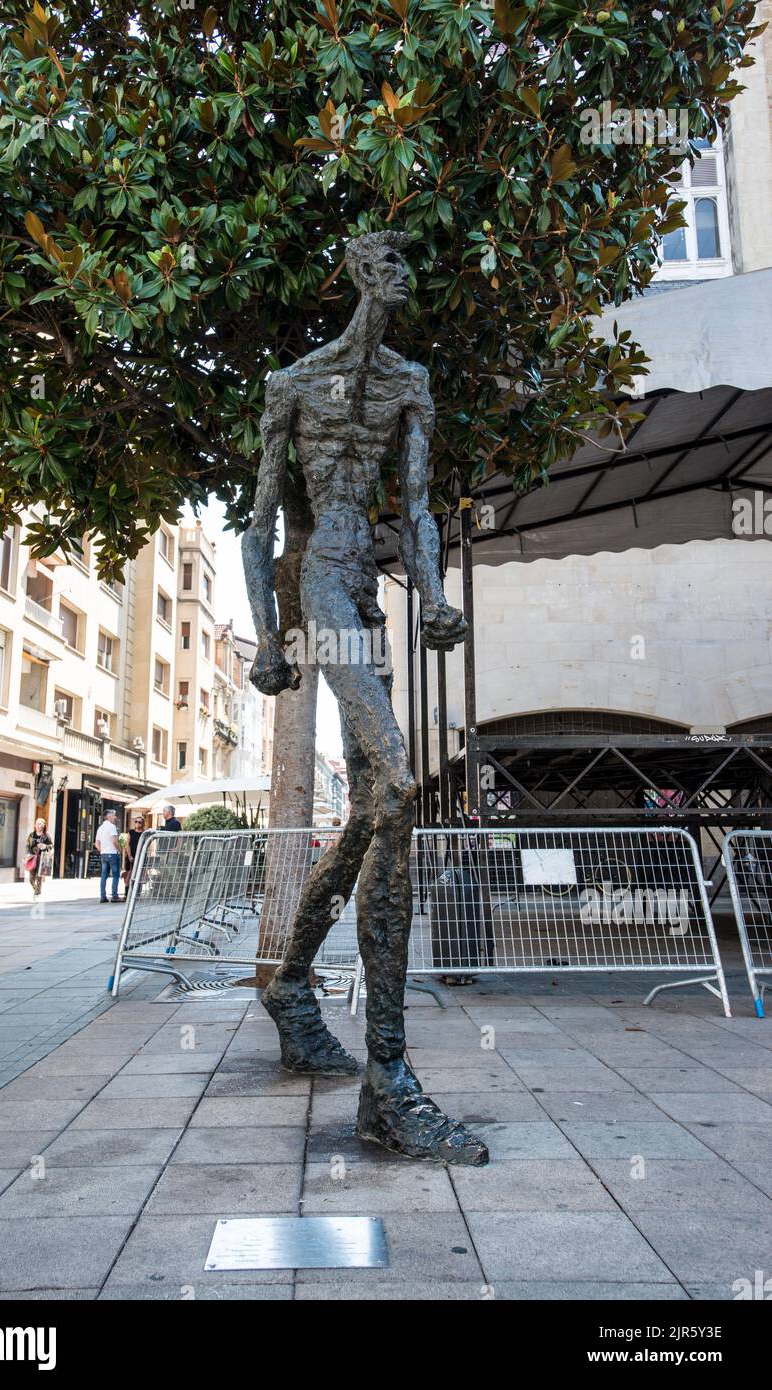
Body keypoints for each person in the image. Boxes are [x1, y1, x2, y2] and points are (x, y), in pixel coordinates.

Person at [242, 230, 487, 1165]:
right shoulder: (291, 384)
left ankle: (291, 985)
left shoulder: (409, 383)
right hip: (319, 585)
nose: (401, 275)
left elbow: (417, 506)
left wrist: (429, 592)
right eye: (383, 263)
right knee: (397, 784)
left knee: (369, 814)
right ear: (352, 273)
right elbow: (257, 523)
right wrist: (269, 636)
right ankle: (389, 1083)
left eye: (405, 265)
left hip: (368, 592)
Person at [94, 810, 121, 903]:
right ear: (109, 817)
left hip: (103, 854)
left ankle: (103, 896)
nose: (115, 817)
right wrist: (119, 849)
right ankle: (114, 896)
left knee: (104, 875)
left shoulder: (100, 828)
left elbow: (97, 844)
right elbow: (114, 841)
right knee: (116, 875)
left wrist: (102, 850)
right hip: (112, 853)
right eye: (114, 816)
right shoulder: (112, 827)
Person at [24, 818, 53, 897]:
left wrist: (44, 846)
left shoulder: (46, 836)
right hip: (32, 858)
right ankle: (36, 889)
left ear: (43, 826)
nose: (38, 825)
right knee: (31, 879)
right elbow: (27, 846)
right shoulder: (31, 835)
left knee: (39, 876)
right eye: (37, 823)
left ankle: (37, 892)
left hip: (42, 858)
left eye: (40, 824)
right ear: (35, 825)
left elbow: (51, 846)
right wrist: (27, 855)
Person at [123, 814, 145, 892]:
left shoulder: (144, 833)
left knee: (140, 873)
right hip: (131, 855)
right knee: (129, 873)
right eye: (136, 821)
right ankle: (127, 891)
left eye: (139, 822)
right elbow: (127, 844)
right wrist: (129, 856)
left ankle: (137, 891)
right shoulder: (131, 832)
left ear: (142, 824)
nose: (137, 823)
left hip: (140, 855)